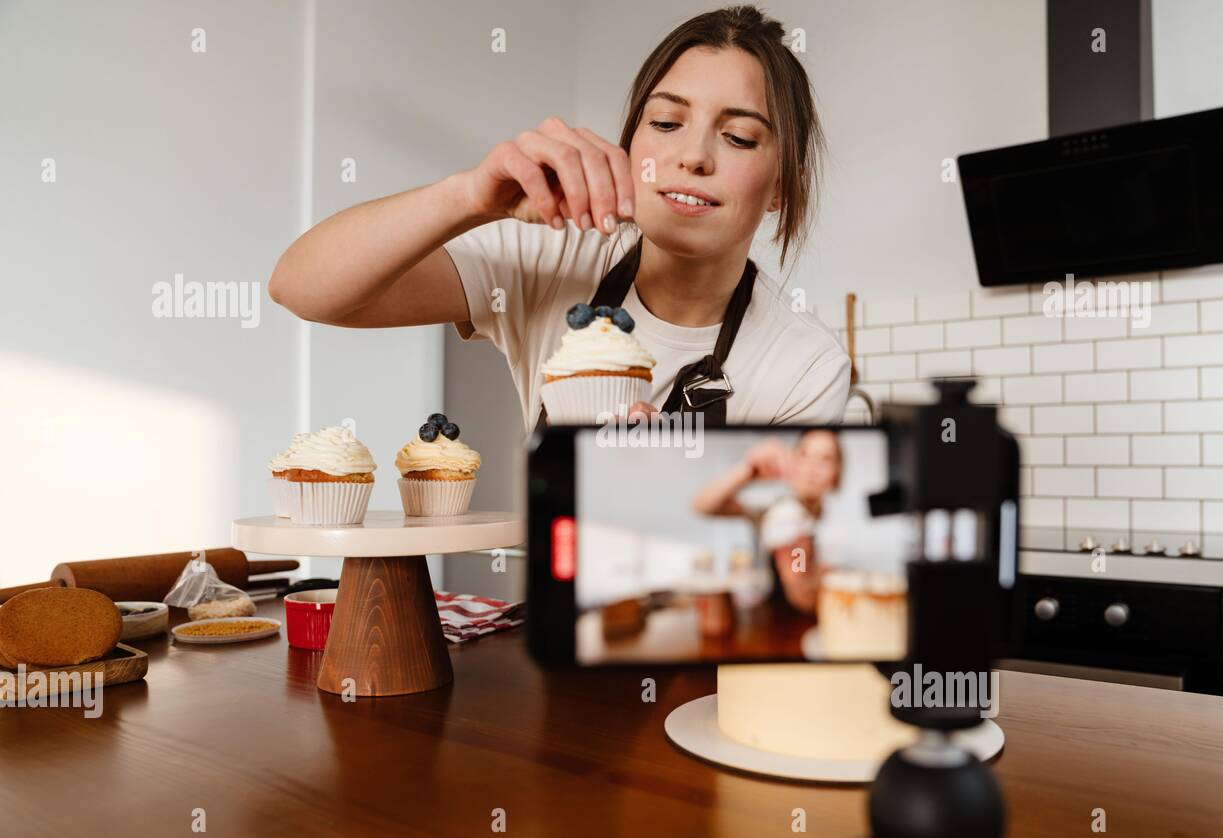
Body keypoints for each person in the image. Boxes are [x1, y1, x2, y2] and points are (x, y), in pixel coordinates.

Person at [269, 6, 849, 428]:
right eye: (666, 124)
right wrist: (470, 196)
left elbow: (773, 572)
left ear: (780, 189)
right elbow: (301, 288)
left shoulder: (803, 367)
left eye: (739, 137)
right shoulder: (555, 257)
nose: (692, 156)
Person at [692, 430, 842, 613]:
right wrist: (748, 470)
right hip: (775, 625)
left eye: (825, 459)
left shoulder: (839, 523)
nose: (812, 468)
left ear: (837, 472)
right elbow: (703, 505)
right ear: (792, 462)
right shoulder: (776, 512)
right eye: (804, 455)